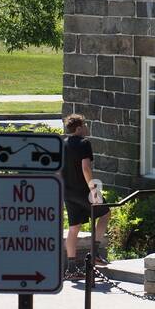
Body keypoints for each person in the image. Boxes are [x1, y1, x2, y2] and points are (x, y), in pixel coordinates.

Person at [62, 114, 110, 276]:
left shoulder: (63, 144)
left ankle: (71, 268)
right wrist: (93, 190)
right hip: (83, 191)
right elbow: (86, 168)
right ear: (79, 128)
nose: (87, 127)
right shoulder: (84, 143)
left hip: (67, 192)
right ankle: (94, 254)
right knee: (105, 213)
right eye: (85, 124)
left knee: (74, 227)